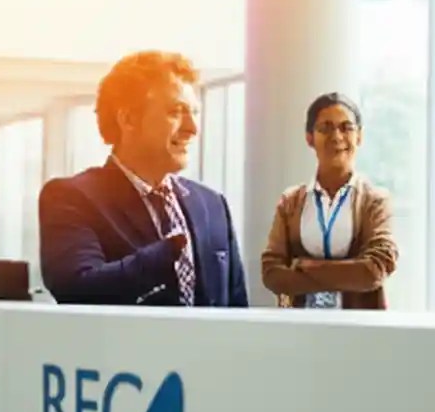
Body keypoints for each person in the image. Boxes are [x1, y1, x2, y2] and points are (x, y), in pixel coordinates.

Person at [39, 51, 248, 307]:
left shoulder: (212, 205)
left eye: (194, 112)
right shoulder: (72, 197)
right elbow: (77, 288)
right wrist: (167, 252)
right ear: (128, 119)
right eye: (176, 111)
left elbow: (238, 310)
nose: (192, 128)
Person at [261, 93, 398, 309]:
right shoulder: (291, 202)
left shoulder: (375, 201)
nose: (336, 136)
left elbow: (375, 268)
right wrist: (348, 273)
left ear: (359, 136)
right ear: (309, 138)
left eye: (346, 128)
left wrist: (303, 267)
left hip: (358, 324)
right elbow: (271, 273)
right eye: (325, 128)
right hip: (299, 323)